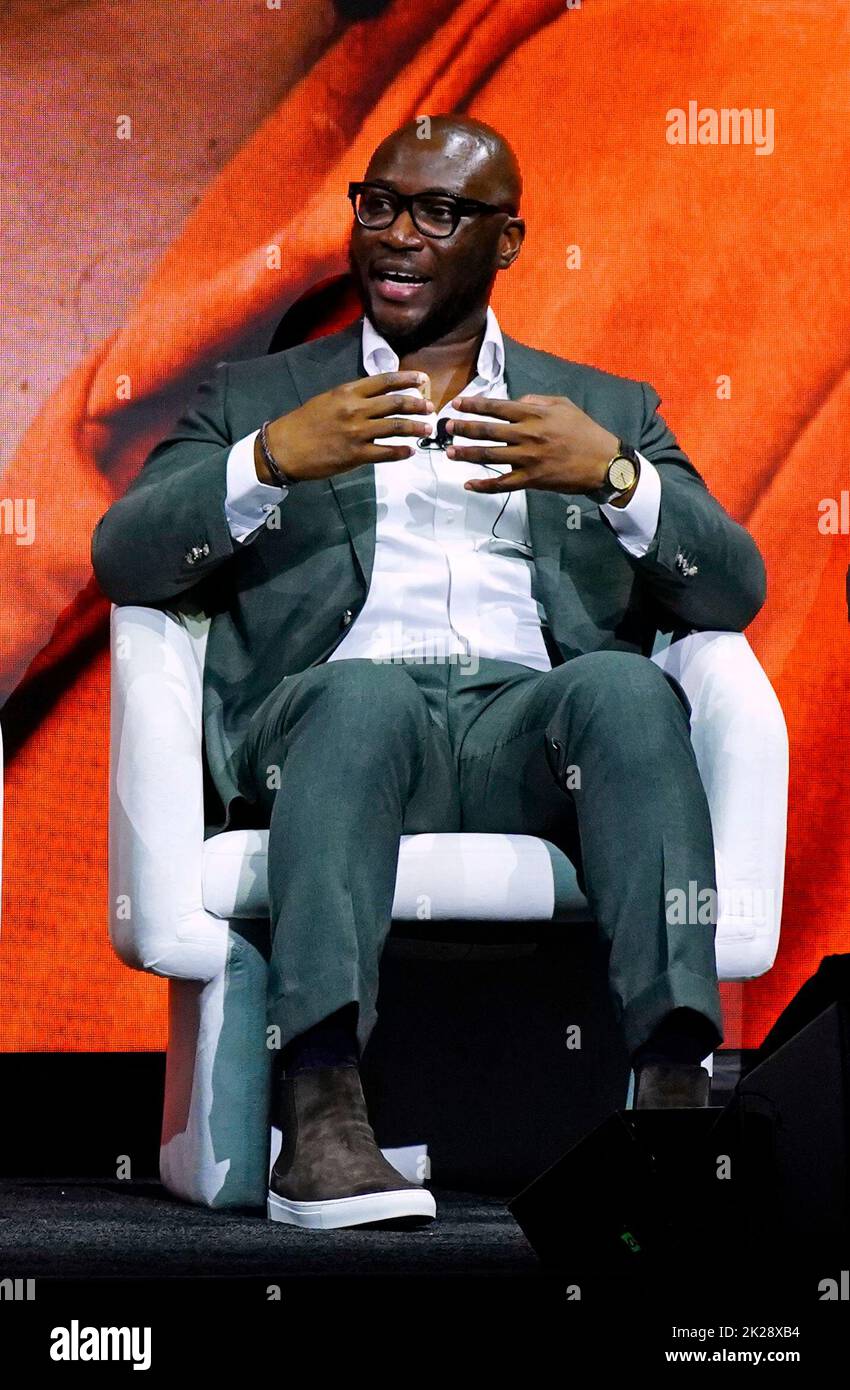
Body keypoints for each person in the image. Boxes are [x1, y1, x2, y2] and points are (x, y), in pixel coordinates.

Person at [91, 115, 766, 1231]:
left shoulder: (602, 407)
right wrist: (269, 462)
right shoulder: (258, 397)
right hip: (336, 723)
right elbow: (127, 556)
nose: (398, 236)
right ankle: (320, 1118)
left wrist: (612, 476)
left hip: (525, 731)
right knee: (367, 698)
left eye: (439, 212)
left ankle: (675, 1102)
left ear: (506, 242)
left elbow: (731, 588)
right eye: (377, 204)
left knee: (629, 690)